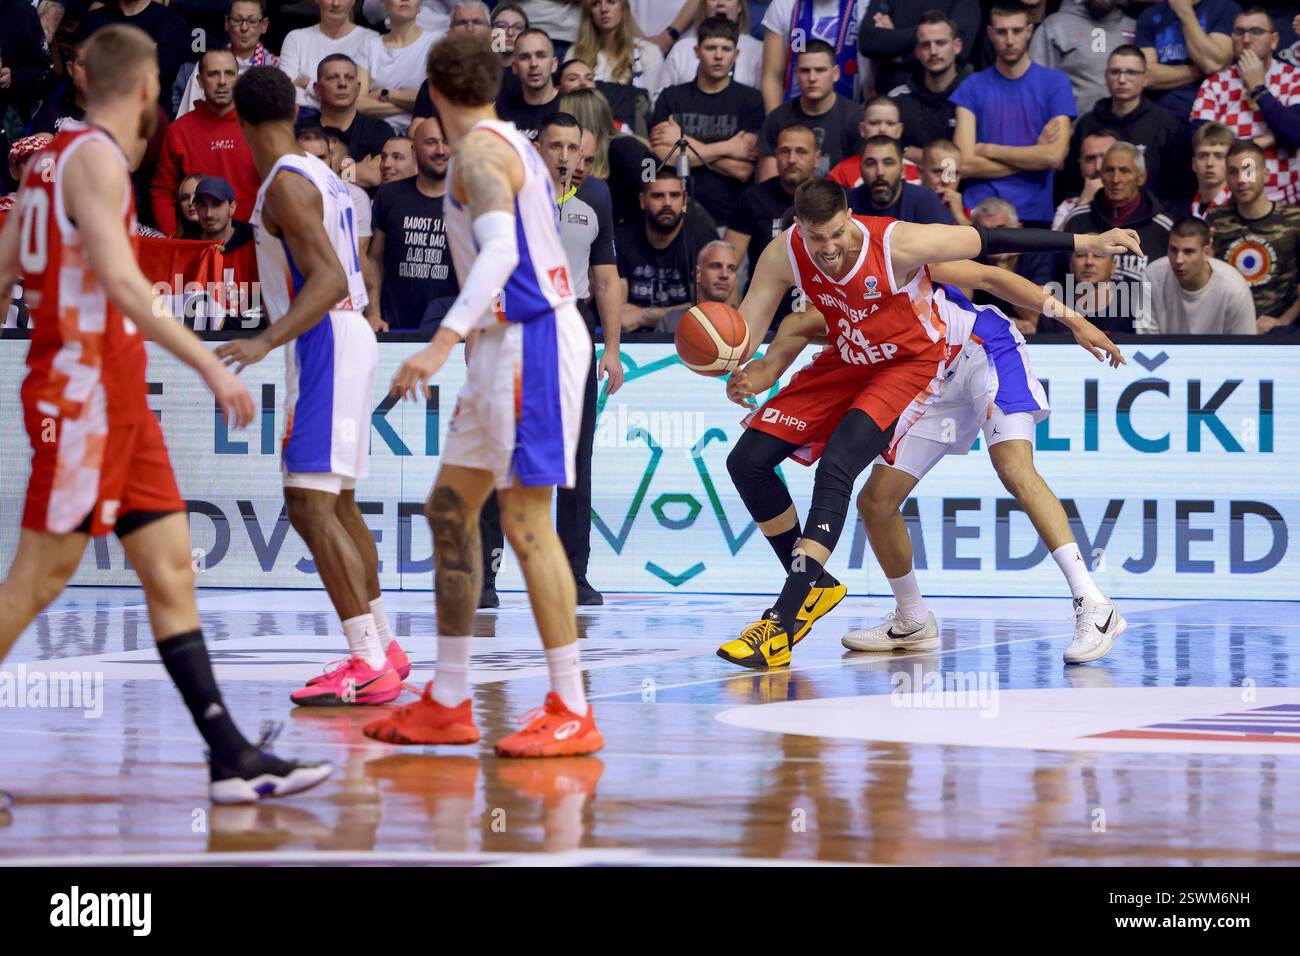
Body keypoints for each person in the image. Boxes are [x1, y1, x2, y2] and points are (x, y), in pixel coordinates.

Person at [0, 25, 332, 803]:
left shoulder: (45, 159)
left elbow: (9, 258)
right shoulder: (96, 161)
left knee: (170, 567)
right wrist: (208, 361)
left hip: (115, 396)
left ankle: (229, 759)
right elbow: (122, 282)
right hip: (84, 394)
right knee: (35, 582)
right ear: (149, 88)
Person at [714, 177, 1142, 667]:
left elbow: (991, 272)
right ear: (801, 231)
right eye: (817, 240)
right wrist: (738, 364)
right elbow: (780, 331)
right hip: (922, 377)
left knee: (1013, 469)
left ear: (850, 218)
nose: (829, 251)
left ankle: (1093, 603)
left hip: (978, 350)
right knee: (876, 501)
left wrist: (1075, 310)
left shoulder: (902, 248)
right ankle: (913, 618)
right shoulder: (804, 279)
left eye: (836, 236)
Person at [363, 31, 602, 758]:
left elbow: (501, 251)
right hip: (503, 343)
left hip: (529, 338)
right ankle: (447, 699)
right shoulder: (513, 141)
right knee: (448, 510)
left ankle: (571, 707)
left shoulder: (477, 153)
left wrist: (441, 342)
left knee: (526, 520)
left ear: (432, 93)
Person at [219, 65, 407, 707]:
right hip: (345, 336)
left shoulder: (283, 187)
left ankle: (366, 661)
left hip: (325, 336)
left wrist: (263, 340)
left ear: (239, 122)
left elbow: (325, 280)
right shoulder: (318, 170)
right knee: (338, 503)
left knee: (307, 505)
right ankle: (383, 644)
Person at [479, 111, 625, 607]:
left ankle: (573, 575)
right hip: (515, 325)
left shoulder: (597, 196)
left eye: (576, 150)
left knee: (575, 456)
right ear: (537, 146)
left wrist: (612, 350)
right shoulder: (511, 192)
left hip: (574, 327)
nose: (567, 159)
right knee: (499, 451)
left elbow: (606, 277)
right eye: (558, 147)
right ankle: (485, 577)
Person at [952, 2, 1077, 228]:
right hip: (980, 214)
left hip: (1034, 213)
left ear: (1029, 31)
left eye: (1017, 31)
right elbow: (964, 164)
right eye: (1001, 32)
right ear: (990, 33)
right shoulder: (971, 86)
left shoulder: (1056, 84)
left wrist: (989, 149)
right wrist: (1034, 159)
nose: (1009, 40)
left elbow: (1054, 158)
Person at [649, 16, 763, 225]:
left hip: (729, 219)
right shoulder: (671, 97)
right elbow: (662, 156)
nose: (718, 56)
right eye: (710, 48)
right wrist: (728, 147)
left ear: (736, 54)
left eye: (726, 49)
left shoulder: (751, 100)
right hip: (674, 215)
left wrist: (681, 140)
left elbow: (743, 171)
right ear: (696, 51)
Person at [1192, 7, 1300, 205]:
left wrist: (1259, 90)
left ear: (1274, 41)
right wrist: (1263, 141)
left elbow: (1295, 133)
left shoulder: (1294, 79)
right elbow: (1203, 143)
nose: (1247, 40)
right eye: (1240, 32)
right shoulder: (1215, 84)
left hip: (1286, 202)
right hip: (1230, 203)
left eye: (1256, 32)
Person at [1061, 141, 1174, 330]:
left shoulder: (1163, 228)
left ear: (1141, 177)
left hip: (1145, 328)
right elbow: (1061, 275)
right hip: (1081, 324)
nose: (1116, 179)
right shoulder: (1078, 220)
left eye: (1125, 171)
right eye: (1109, 170)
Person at [1065, 45, 1197, 207]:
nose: (1122, 80)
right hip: (1095, 216)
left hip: (1153, 219)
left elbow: (1180, 189)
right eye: (1115, 72)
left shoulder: (1167, 124)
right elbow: (1071, 182)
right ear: (1106, 77)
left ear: (1145, 78)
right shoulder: (1087, 124)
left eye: (1131, 73)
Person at [150, 50, 259, 237]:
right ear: (200, 81)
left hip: (251, 245)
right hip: (197, 246)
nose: (222, 81)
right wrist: (172, 240)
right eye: (213, 74)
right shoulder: (178, 131)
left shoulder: (258, 127)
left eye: (229, 74)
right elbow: (163, 191)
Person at [366, 114, 459, 330]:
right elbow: (374, 260)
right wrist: (373, 312)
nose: (440, 150)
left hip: (452, 333)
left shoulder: (472, 201)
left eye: (446, 142)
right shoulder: (389, 195)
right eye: (430, 142)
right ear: (415, 152)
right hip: (392, 329)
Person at [1208, 138, 1300, 334]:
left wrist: (1283, 322)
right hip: (1226, 330)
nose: (1241, 179)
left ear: (1265, 175)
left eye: (1248, 170)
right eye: (1233, 172)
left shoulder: (1294, 220)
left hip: (1279, 333)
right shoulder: (1216, 219)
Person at [617, 170, 719, 332]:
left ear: (684, 200)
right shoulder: (622, 239)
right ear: (643, 201)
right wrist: (682, 310)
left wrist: (640, 316)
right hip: (630, 342)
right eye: (658, 196)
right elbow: (619, 316)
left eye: (674, 195)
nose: (667, 203)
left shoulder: (701, 240)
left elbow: (706, 309)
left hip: (689, 337)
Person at [725, 122, 821, 286]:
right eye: (785, 151)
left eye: (801, 152)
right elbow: (727, 262)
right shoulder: (754, 198)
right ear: (776, 155)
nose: (791, 160)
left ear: (817, 158)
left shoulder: (832, 198)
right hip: (764, 299)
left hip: (818, 298)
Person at [757, 40, 865, 181]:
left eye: (820, 70)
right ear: (796, 75)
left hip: (839, 200)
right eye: (805, 71)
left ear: (836, 74)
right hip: (787, 201)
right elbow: (767, 185)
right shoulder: (777, 119)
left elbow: (858, 184)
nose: (812, 78)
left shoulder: (856, 118)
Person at [883, 11, 972, 166]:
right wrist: (943, 159)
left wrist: (912, 153)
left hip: (957, 185)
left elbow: (962, 162)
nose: (933, 52)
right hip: (910, 186)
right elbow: (885, 149)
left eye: (941, 43)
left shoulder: (974, 94)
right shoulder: (898, 99)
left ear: (957, 46)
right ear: (917, 51)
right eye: (926, 45)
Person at [1143, 218, 1258, 333]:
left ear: (1206, 253)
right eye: (1173, 250)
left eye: (1188, 252)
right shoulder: (1152, 275)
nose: (1179, 260)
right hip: (1162, 350)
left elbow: (1243, 346)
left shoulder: (1235, 290)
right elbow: (1145, 341)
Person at [1030, 0, 1138, 115]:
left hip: (1126, 128)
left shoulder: (1135, 27)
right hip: (1072, 128)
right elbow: (1035, 87)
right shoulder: (1055, 26)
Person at [174, 0, 278, 119]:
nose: (244, 28)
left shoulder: (276, 69)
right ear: (227, 23)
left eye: (252, 21)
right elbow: (187, 123)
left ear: (264, 25)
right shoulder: (207, 66)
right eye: (237, 20)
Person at [76, 0, 188, 109]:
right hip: (96, 110)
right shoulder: (94, 20)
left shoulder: (171, 22)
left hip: (147, 116)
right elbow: (84, 71)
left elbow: (159, 74)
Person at [1136, 0, 1237, 121]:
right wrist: (1200, 71)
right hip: (1161, 115)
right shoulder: (1149, 16)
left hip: (1212, 113)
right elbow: (1146, 76)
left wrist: (1184, 12)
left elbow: (1212, 63)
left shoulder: (1225, 7)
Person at [761, 0, 866, 110]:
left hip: (853, 113)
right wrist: (775, 123)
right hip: (793, 114)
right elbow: (772, 77)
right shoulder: (785, 4)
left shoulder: (864, 4)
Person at [279, 0, 379, 112]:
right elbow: (284, 93)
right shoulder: (295, 38)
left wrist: (308, 84)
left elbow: (365, 100)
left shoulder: (372, 40)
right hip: (303, 122)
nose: (336, 3)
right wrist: (341, 99)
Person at [355, 0, 437, 135]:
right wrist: (417, 105)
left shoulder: (436, 43)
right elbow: (358, 105)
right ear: (383, 3)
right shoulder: (369, 45)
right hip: (374, 132)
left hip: (421, 134)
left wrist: (386, 94)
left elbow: (436, 99)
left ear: (420, 4)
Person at [312, 54, 392, 188]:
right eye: (333, 78)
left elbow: (374, 174)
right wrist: (355, 170)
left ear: (358, 87)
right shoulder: (300, 129)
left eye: (349, 78)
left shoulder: (379, 130)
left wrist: (319, 174)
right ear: (317, 88)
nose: (342, 84)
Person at [658, 0, 762, 92]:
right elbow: (660, 99)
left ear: (740, 6)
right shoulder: (682, 48)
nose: (720, 3)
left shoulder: (757, 49)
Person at [846, 135, 952, 223]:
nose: (880, 172)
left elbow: (947, 246)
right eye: (871, 163)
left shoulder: (925, 200)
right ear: (860, 170)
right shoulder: (848, 202)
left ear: (902, 170)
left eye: (888, 163)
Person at [827, 96, 921, 189]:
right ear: (862, 129)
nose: (882, 129)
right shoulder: (842, 172)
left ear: (899, 130)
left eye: (890, 123)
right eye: (874, 123)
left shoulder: (915, 173)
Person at [572, 0, 663, 96]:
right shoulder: (576, 52)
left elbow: (649, 102)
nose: (604, 9)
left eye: (611, 2)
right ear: (589, 12)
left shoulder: (647, 52)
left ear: (623, 7)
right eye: (596, 4)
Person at [496, 28, 560, 140]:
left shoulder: (571, 106)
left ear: (554, 64)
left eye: (540, 55)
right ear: (514, 68)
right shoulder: (501, 111)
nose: (533, 64)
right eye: (524, 57)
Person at [1167, 120, 1234, 221]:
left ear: (1230, 162)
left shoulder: (1241, 209)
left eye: (1219, 156)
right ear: (1194, 163)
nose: (1210, 163)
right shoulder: (1176, 214)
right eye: (1203, 156)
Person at [1053, 129, 1118, 230]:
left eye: (1105, 158)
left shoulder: (1142, 204)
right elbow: (1056, 244)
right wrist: (1082, 204)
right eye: (1090, 159)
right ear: (1080, 165)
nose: (1098, 167)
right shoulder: (1068, 206)